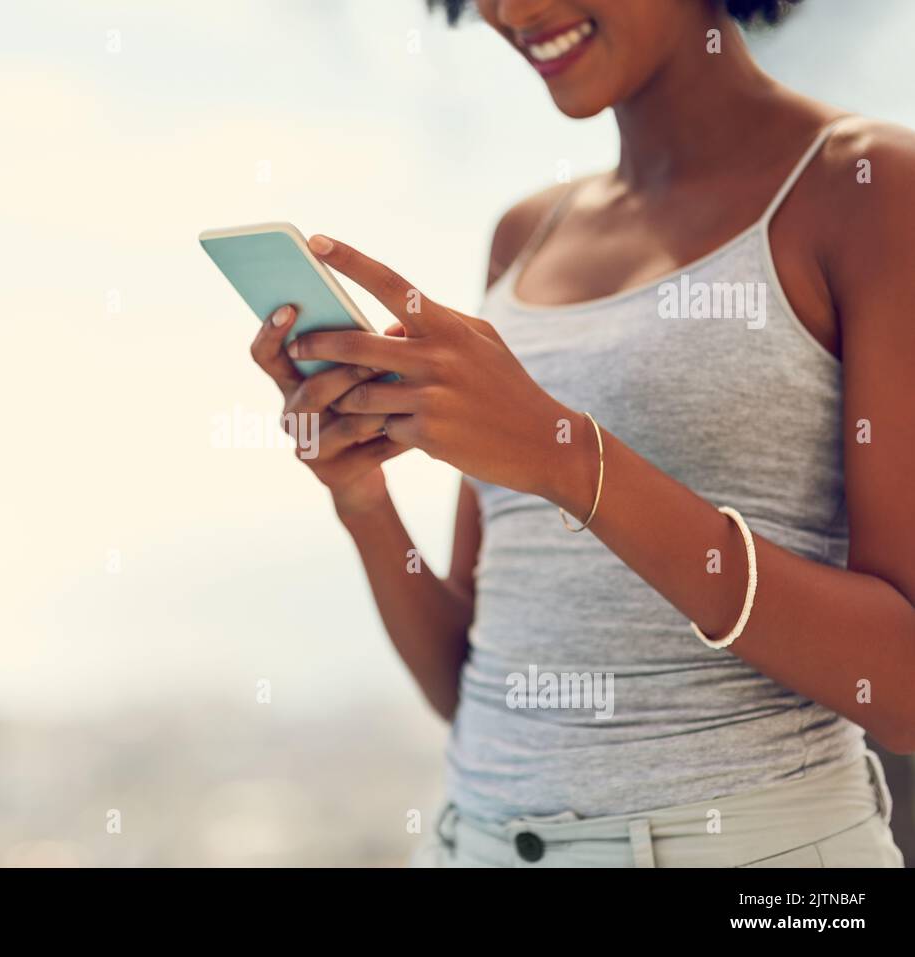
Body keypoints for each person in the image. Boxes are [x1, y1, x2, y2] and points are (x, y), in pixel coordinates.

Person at [248, 0, 914, 867]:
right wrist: (362, 497)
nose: (513, 11)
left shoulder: (871, 192)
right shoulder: (525, 240)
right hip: (472, 845)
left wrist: (568, 459)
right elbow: (464, 679)